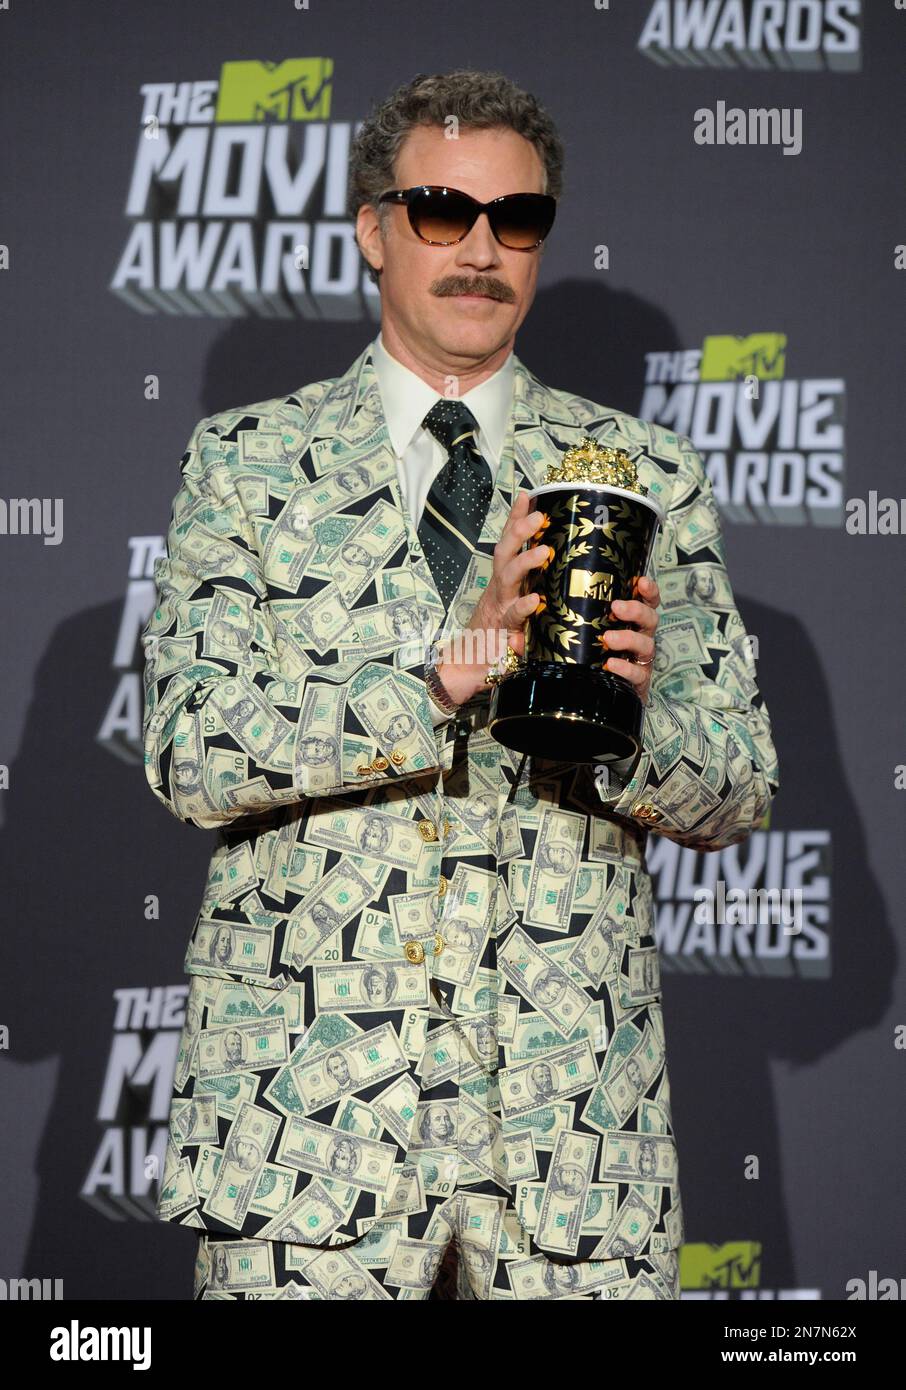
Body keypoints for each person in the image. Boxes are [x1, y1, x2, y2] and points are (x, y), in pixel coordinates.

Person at [141, 68, 779, 1302]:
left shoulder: (642, 473)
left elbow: (740, 783)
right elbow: (190, 751)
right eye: (442, 210)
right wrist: (446, 673)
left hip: (572, 1148)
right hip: (308, 1139)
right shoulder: (246, 462)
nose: (482, 249)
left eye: (517, 219)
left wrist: (637, 733)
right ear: (374, 229)